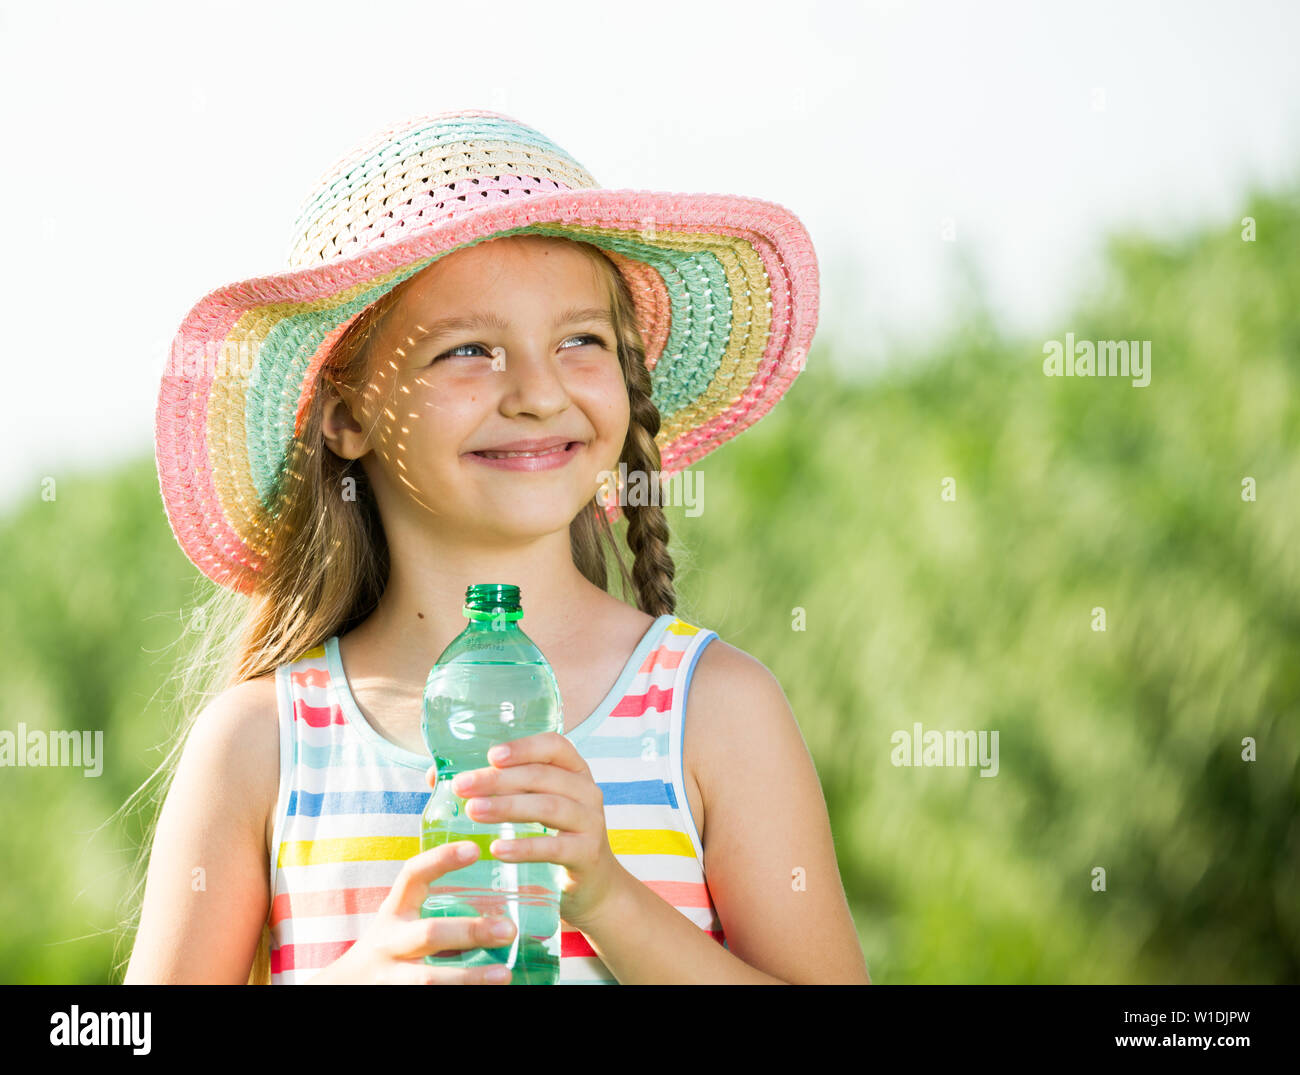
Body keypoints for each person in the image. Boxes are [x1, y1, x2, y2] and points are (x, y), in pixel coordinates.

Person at [124, 110, 870, 985]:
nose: (537, 392)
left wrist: (609, 899)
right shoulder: (265, 744)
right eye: (468, 349)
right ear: (347, 414)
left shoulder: (714, 711)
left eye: (580, 340)